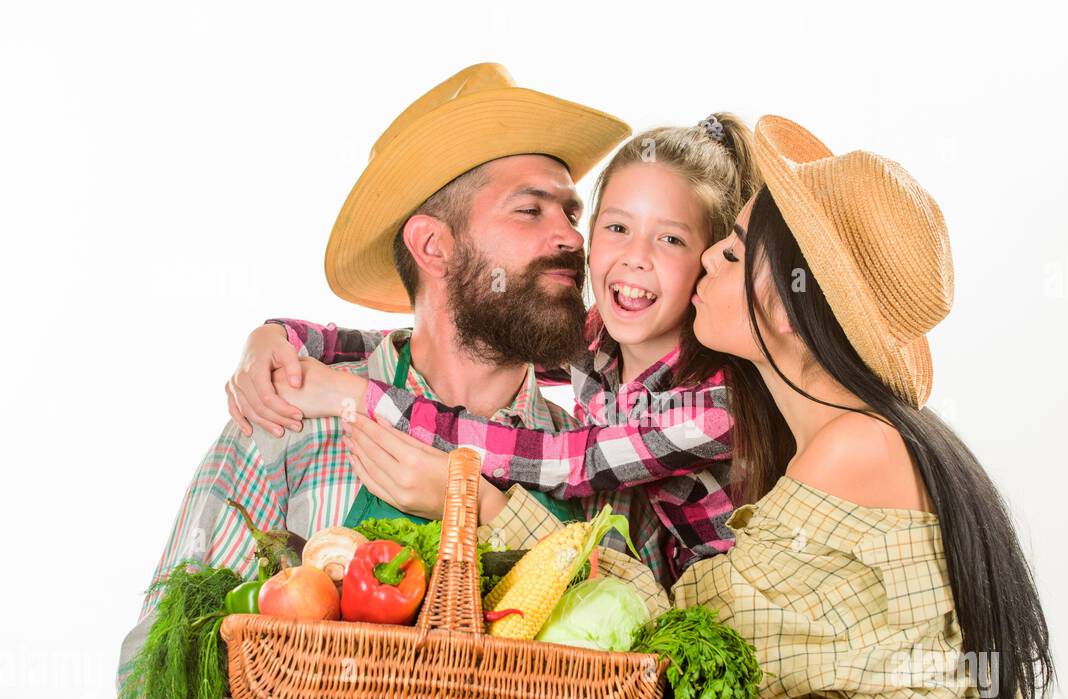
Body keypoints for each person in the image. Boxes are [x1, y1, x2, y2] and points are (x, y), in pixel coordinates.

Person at [112, 62, 675, 699]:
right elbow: (152, 686)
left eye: (571, 213)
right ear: (433, 246)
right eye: (531, 211)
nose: (570, 241)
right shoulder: (294, 423)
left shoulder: (598, 455)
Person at [467, 115, 1056, 699]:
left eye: (734, 249)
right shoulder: (826, 441)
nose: (710, 257)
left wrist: (501, 514)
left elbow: (691, 641)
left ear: (784, 295)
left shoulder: (855, 453)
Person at [225, 112, 761, 595]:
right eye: (615, 227)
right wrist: (283, 337)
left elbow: (573, 468)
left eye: (670, 239)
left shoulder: (709, 407)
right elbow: (445, 335)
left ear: (709, 260)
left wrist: (464, 493)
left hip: (730, 629)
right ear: (434, 247)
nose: (572, 240)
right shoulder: (602, 346)